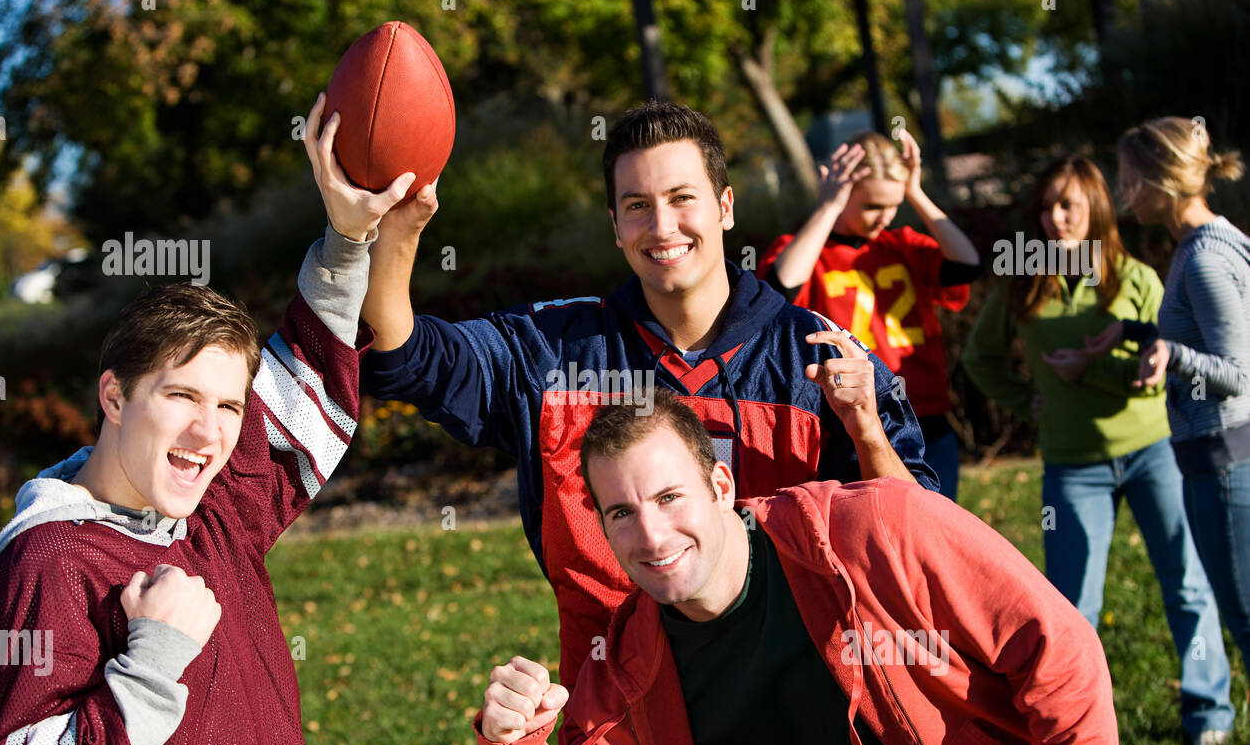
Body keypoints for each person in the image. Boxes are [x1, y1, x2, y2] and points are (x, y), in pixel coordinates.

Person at [362, 101, 937, 693]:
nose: (662, 227)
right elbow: (400, 361)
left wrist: (866, 429)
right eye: (638, 206)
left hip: (794, 693)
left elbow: (921, 543)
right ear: (615, 226)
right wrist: (396, 232)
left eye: (682, 198)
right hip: (621, 709)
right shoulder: (555, 350)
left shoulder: (813, 352)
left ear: (725, 207)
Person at [0, 92, 408, 745]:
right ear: (113, 398)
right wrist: (150, 663)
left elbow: (301, 385)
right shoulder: (47, 564)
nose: (210, 434)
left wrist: (348, 238)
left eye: (229, 406)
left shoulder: (214, 514)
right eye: (180, 398)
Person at [469, 388, 1144, 745]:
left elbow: (1058, 652)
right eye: (621, 513)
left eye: (669, 498)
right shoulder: (624, 668)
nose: (650, 535)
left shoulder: (876, 528)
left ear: (722, 483)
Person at [962, 155, 1234, 745]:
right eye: (1047, 207)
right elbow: (979, 360)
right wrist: (1035, 402)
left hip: (1151, 450)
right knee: (1071, 607)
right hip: (1071, 465)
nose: (1056, 219)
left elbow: (1158, 372)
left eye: (1070, 206)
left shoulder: (1136, 279)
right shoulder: (1025, 284)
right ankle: (1081, 733)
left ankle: (1208, 713)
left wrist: (1089, 371)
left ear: (1097, 212)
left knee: (1187, 585)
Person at [1085, 117, 1250, 745]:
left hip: (1224, 465)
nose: (1124, 199)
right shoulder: (1200, 246)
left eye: (1128, 182)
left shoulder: (1205, 255)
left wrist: (1171, 357)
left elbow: (1236, 373)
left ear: (1160, 179)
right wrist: (1140, 334)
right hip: (1214, 462)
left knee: (1244, 618)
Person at [757, 129, 983, 499]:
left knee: (934, 537)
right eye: (872, 206)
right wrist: (828, 206)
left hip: (925, 414)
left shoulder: (901, 244)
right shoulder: (811, 251)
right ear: (844, 194)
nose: (885, 217)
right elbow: (779, 286)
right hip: (852, 420)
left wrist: (916, 192)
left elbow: (966, 264)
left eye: (893, 205)